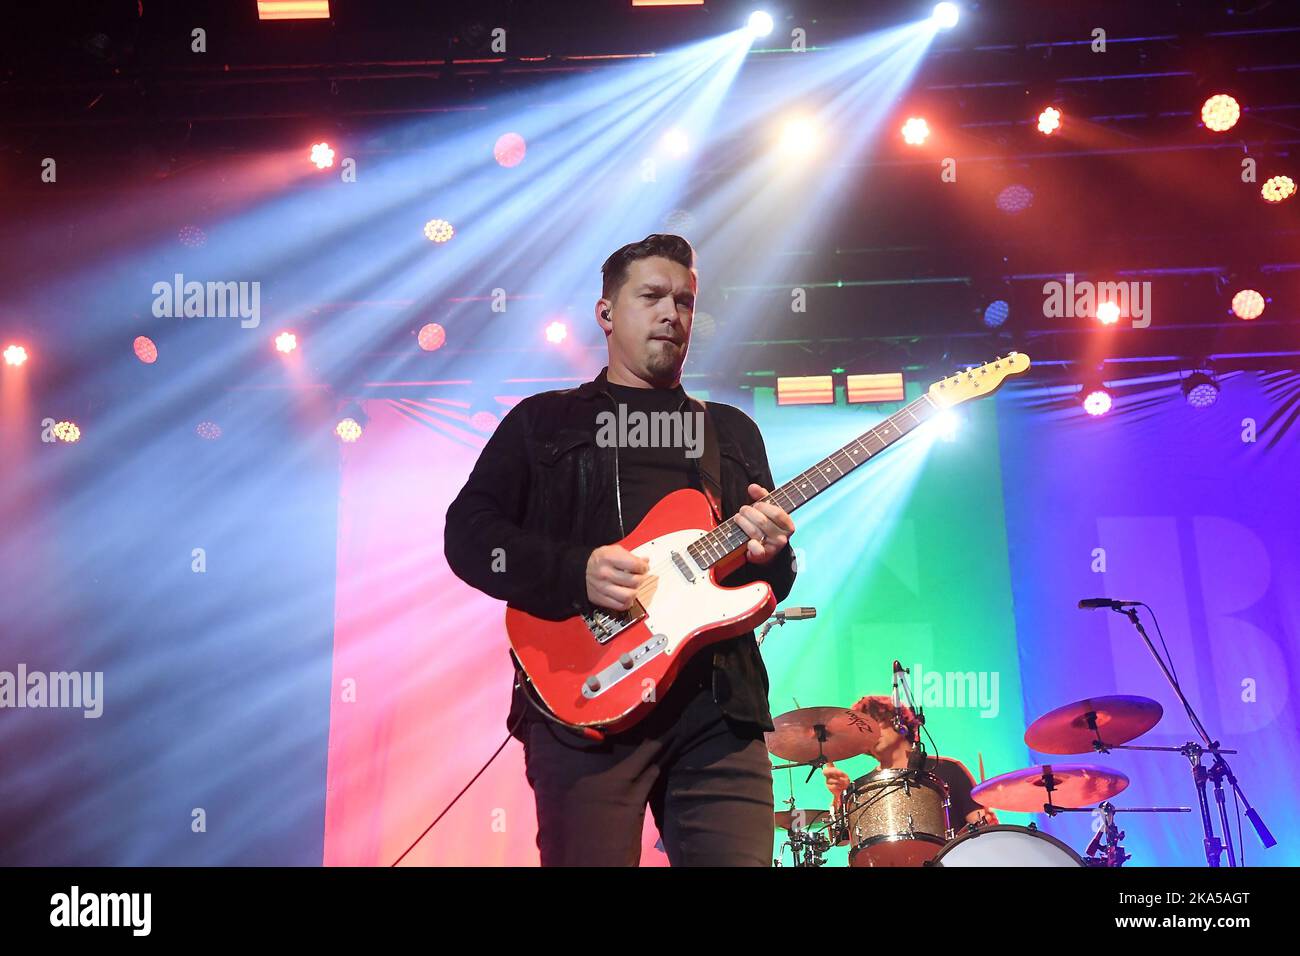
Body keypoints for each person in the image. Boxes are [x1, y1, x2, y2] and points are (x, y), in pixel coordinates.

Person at [444, 234, 797, 865]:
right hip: (587, 702)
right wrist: (573, 570)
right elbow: (468, 536)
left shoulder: (730, 430)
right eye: (653, 296)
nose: (673, 314)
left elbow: (773, 580)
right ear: (607, 313)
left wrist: (772, 556)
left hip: (721, 710)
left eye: (685, 301)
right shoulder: (544, 422)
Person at [822, 695, 997, 832]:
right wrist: (839, 795)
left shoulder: (948, 769)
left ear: (898, 721)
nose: (873, 732)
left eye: (877, 722)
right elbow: (842, 839)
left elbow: (979, 825)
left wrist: (990, 826)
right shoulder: (862, 788)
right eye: (865, 729)